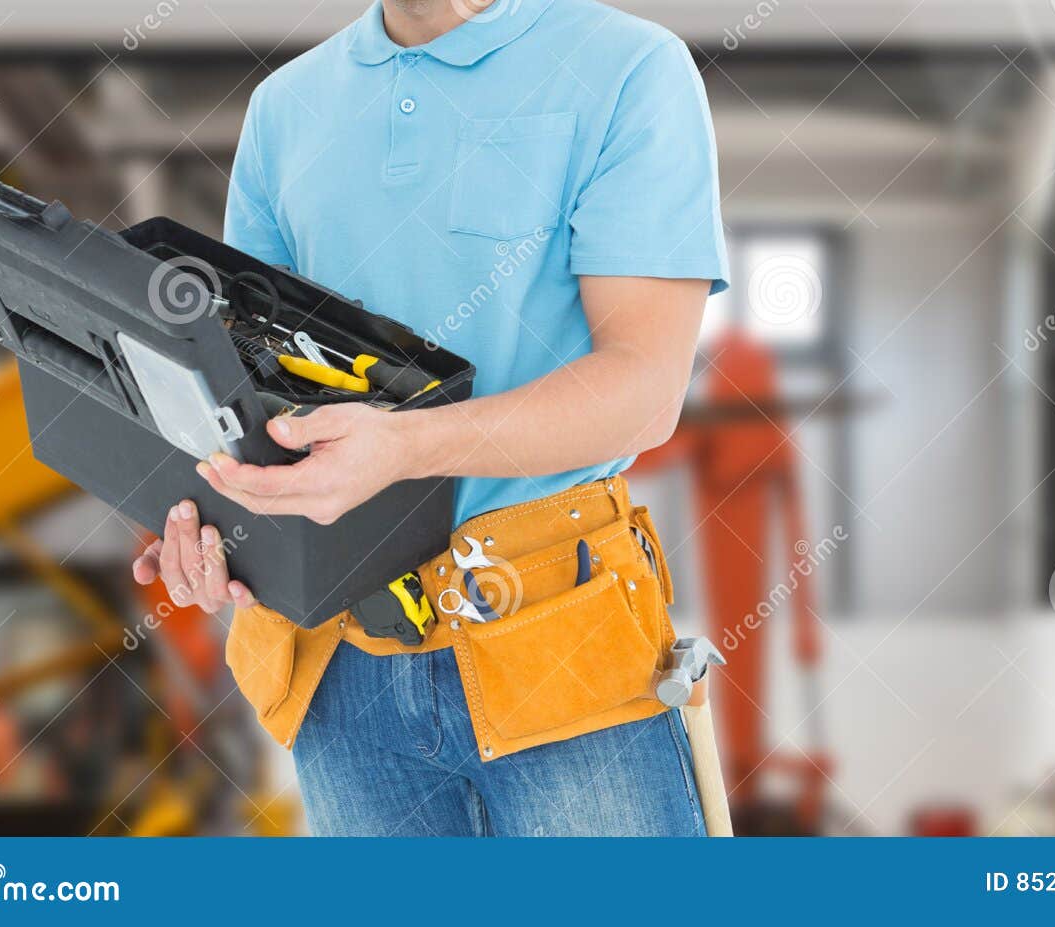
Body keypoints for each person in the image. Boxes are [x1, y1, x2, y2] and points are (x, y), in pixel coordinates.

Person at [130, 0, 727, 836]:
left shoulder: (627, 69)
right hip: (343, 667)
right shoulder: (286, 111)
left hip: (558, 651)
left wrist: (406, 446)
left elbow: (644, 390)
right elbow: (251, 401)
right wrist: (215, 527)